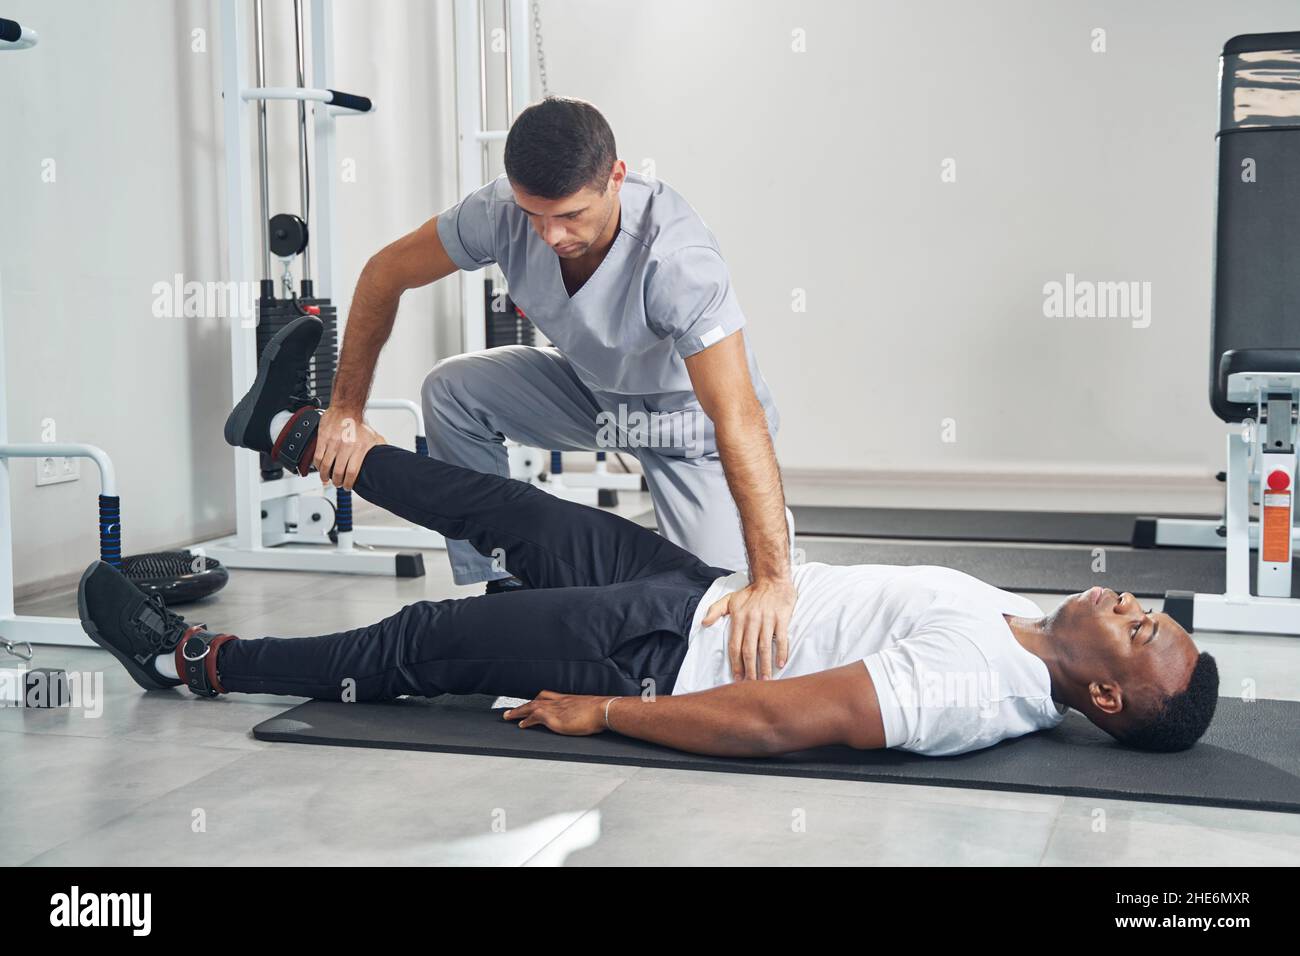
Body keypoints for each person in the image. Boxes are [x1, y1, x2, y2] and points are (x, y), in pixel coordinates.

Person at [79, 317, 1219, 758]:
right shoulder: (1015, 625)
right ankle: (284, 429)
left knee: (426, 641)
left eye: (1141, 629)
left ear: (1109, 698)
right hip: (700, 587)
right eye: (1146, 604)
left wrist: (608, 710)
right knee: (503, 510)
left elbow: (782, 716)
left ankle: (195, 662)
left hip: (658, 652)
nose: (1131, 604)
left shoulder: (975, 688)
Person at [310, 95, 798, 677]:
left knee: (715, 628)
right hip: (595, 398)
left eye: (570, 216)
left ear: (616, 177)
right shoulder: (497, 212)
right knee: (452, 390)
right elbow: (383, 273)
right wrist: (344, 409)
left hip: (689, 428)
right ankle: (505, 585)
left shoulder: (678, 261)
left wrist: (771, 580)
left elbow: (737, 417)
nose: (550, 235)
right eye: (534, 215)